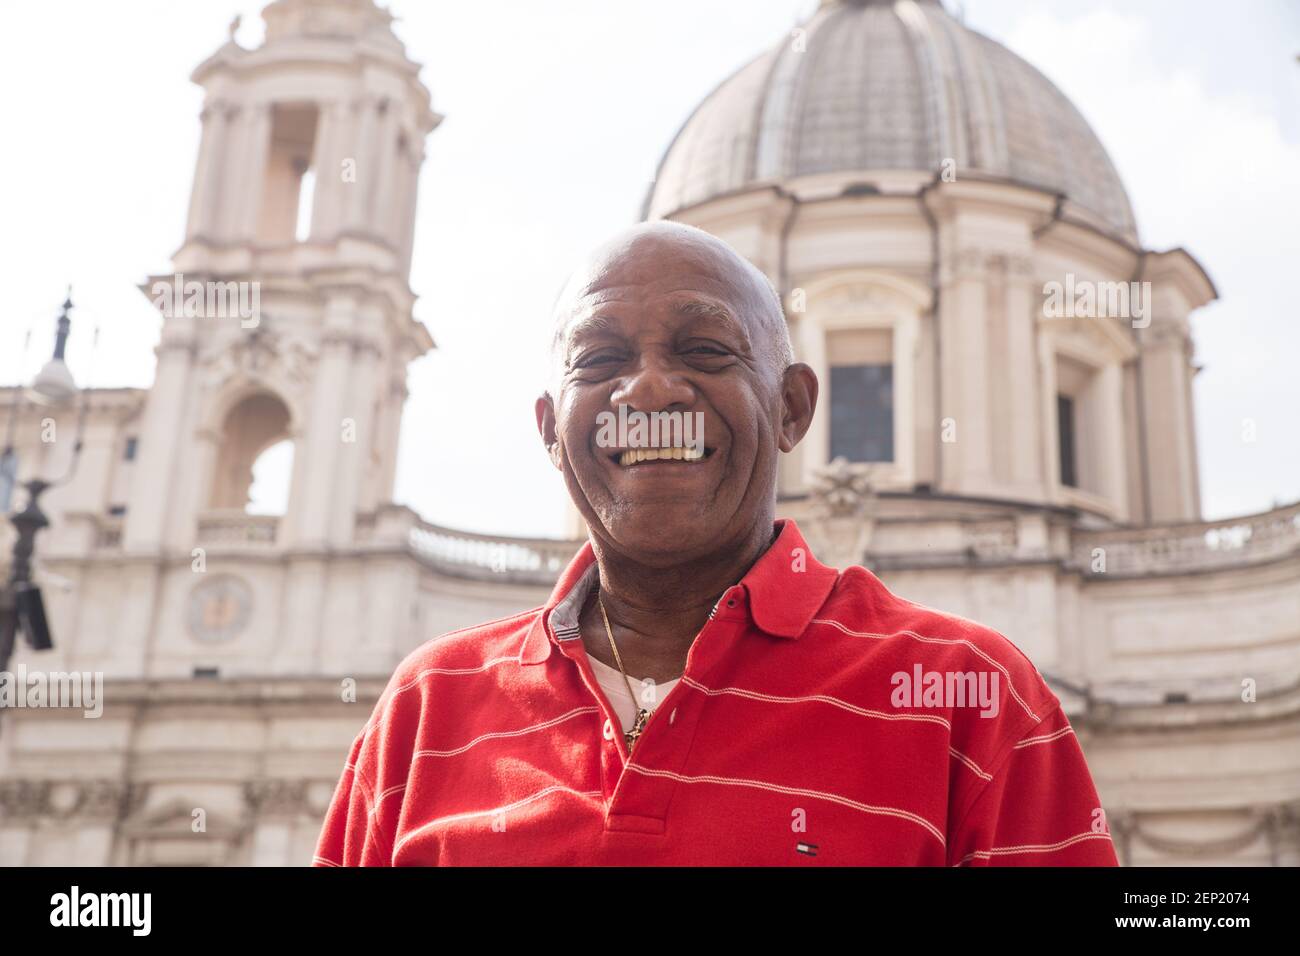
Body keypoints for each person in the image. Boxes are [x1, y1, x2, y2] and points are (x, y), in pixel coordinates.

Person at [313, 221, 1117, 866]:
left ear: (794, 408)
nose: (650, 389)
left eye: (705, 351)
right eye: (602, 358)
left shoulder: (972, 696)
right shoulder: (424, 710)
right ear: (551, 430)